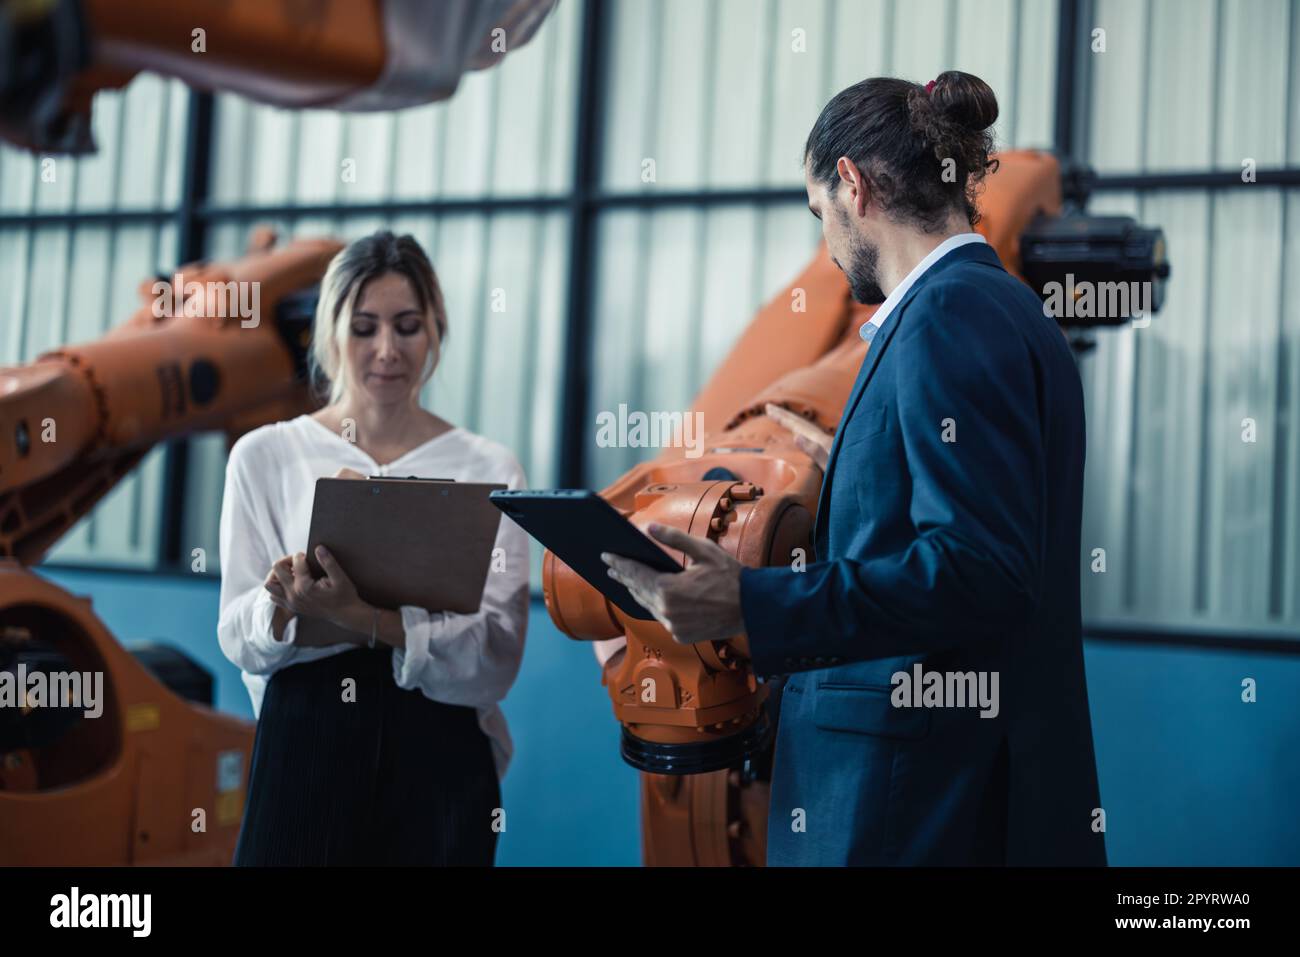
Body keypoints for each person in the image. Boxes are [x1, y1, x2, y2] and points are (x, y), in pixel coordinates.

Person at [602, 72, 1106, 866]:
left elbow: (979, 569)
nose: (828, 247)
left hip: (908, 801)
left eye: (818, 216)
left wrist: (749, 601)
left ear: (852, 184)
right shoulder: (1001, 311)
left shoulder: (948, 315)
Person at [217, 230, 529, 865]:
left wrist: (359, 618)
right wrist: (281, 606)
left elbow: (496, 654)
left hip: (441, 750)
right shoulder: (267, 455)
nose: (388, 350)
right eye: (364, 328)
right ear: (331, 332)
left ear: (436, 328)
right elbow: (235, 633)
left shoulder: (486, 467)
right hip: (307, 743)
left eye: (408, 326)